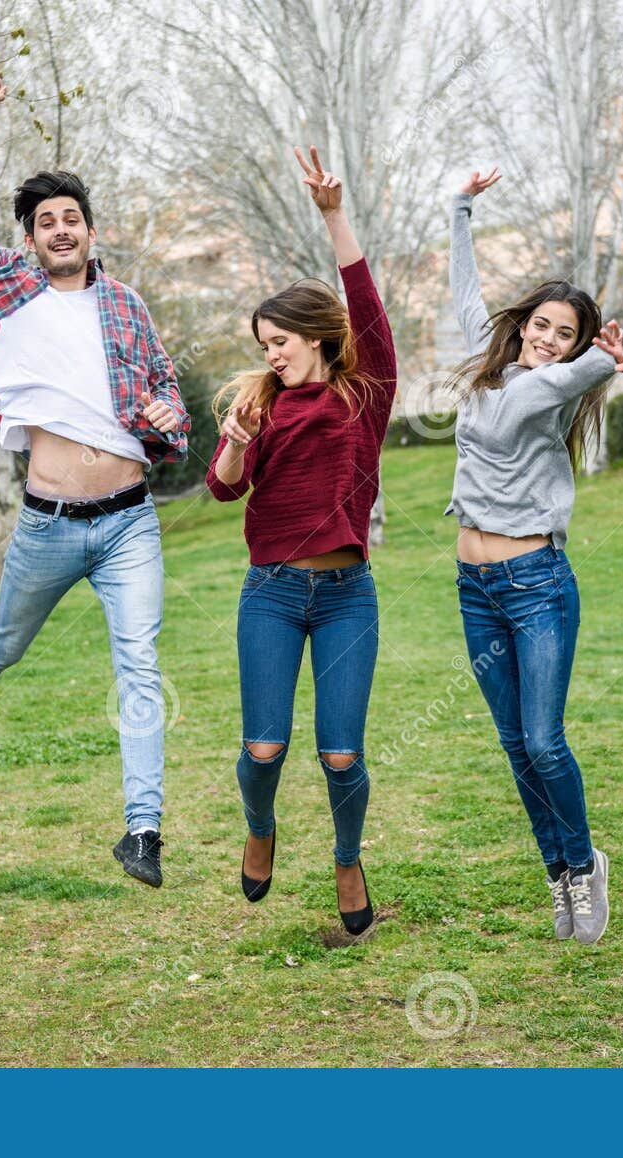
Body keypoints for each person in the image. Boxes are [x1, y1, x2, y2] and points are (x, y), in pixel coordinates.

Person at [0, 69, 189, 888]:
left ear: (92, 232)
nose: (60, 230)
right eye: (45, 222)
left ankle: (143, 831)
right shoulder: (2, 285)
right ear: (29, 239)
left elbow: (167, 390)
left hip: (130, 520)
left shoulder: (127, 305)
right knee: (6, 642)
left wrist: (167, 412)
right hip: (49, 524)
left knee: (139, 664)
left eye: (71, 219)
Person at [206, 147, 396, 940]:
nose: (271, 354)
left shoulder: (364, 395)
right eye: (263, 345)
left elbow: (369, 313)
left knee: (341, 754)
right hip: (273, 594)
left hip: (347, 596)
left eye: (280, 340)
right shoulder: (263, 406)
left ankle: (348, 860)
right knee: (264, 747)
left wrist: (333, 214)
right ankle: (261, 828)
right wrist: (235, 442)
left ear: (316, 337)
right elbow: (224, 488)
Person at [447, 167, 623, 945]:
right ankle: (558, 873)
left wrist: (612, 352)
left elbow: (605, 362)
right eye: (542, 325)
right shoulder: (489, 369)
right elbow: (465, 293)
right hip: (475, 585)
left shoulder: (555, 384)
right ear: (524, 323)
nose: (548, 339)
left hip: (535, 584)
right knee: (514, 745)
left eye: (564, 332)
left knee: (544, 741)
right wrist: (460, 209)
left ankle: (585, 865)